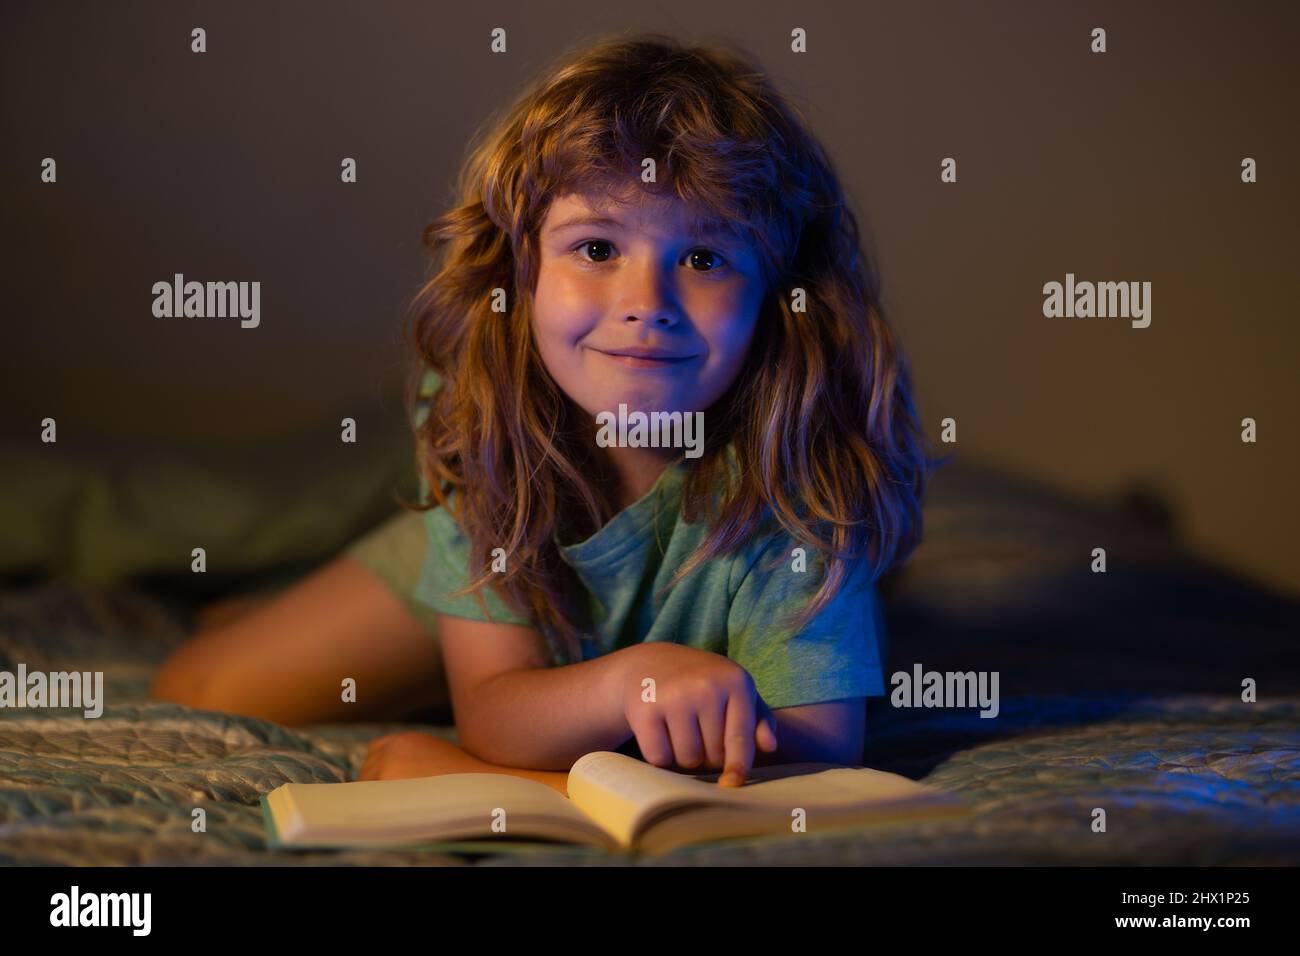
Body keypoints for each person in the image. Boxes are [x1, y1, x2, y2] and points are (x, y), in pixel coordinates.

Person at [151, 33, 936, 792]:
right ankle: (344, 613)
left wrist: (536, 749)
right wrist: (621, 681)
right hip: (503, 584)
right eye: (596, 248)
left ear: (779, 298)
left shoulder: (801, 480)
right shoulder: (483, 423)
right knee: (201, 685)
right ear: (518, 272)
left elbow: (824, 759)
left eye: (703, 258)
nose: (645, 307)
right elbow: (493, 707)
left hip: (597, 628)